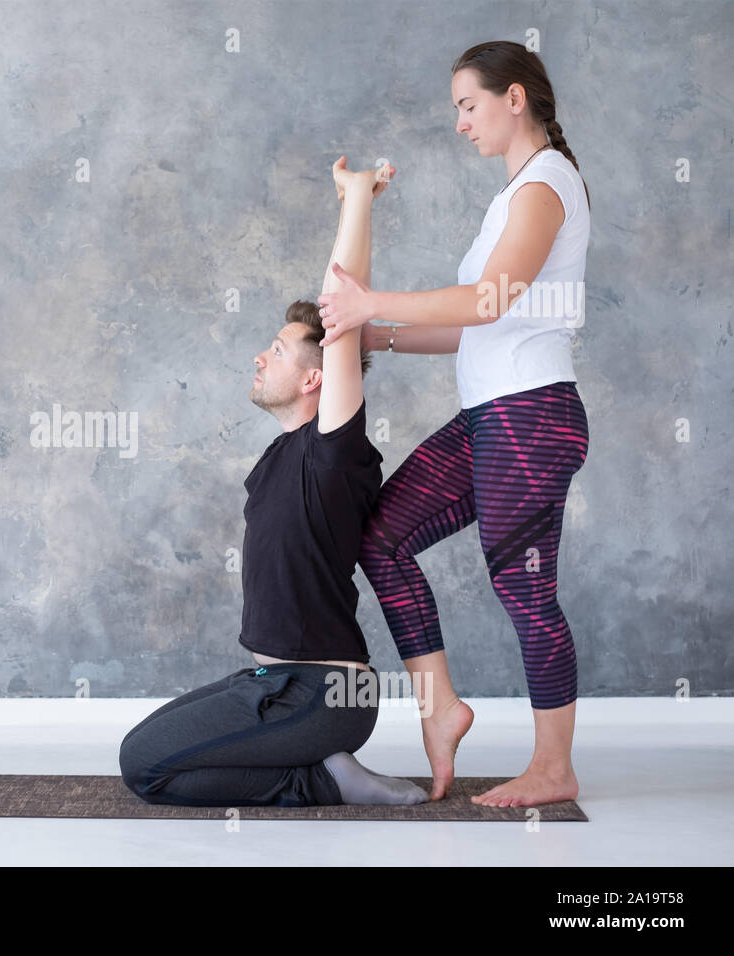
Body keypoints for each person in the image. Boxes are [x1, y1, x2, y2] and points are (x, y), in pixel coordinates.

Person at [315, 41, 591, 808]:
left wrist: (376, 305)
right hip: (492, 420)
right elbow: (472, 323)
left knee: (525, 590)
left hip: (532, 419)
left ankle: (554, 767)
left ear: (513, 98)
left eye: (467, 105)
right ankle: (442, 711)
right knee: (383, 537)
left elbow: (489, 300)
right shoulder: (512, 198)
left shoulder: (545, 185)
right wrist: (380, 336)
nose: (460, 122)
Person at [118, 158, 427, 808]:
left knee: (143, 767)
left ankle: (325, 778)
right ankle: (325, 772)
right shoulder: (278, 459)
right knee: (146, 750)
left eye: (281, 351)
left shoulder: (332, 453)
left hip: (325, 695)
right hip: (273, 679)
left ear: (318, 377)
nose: (262, 355)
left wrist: (357, 198)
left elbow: (341, 307)